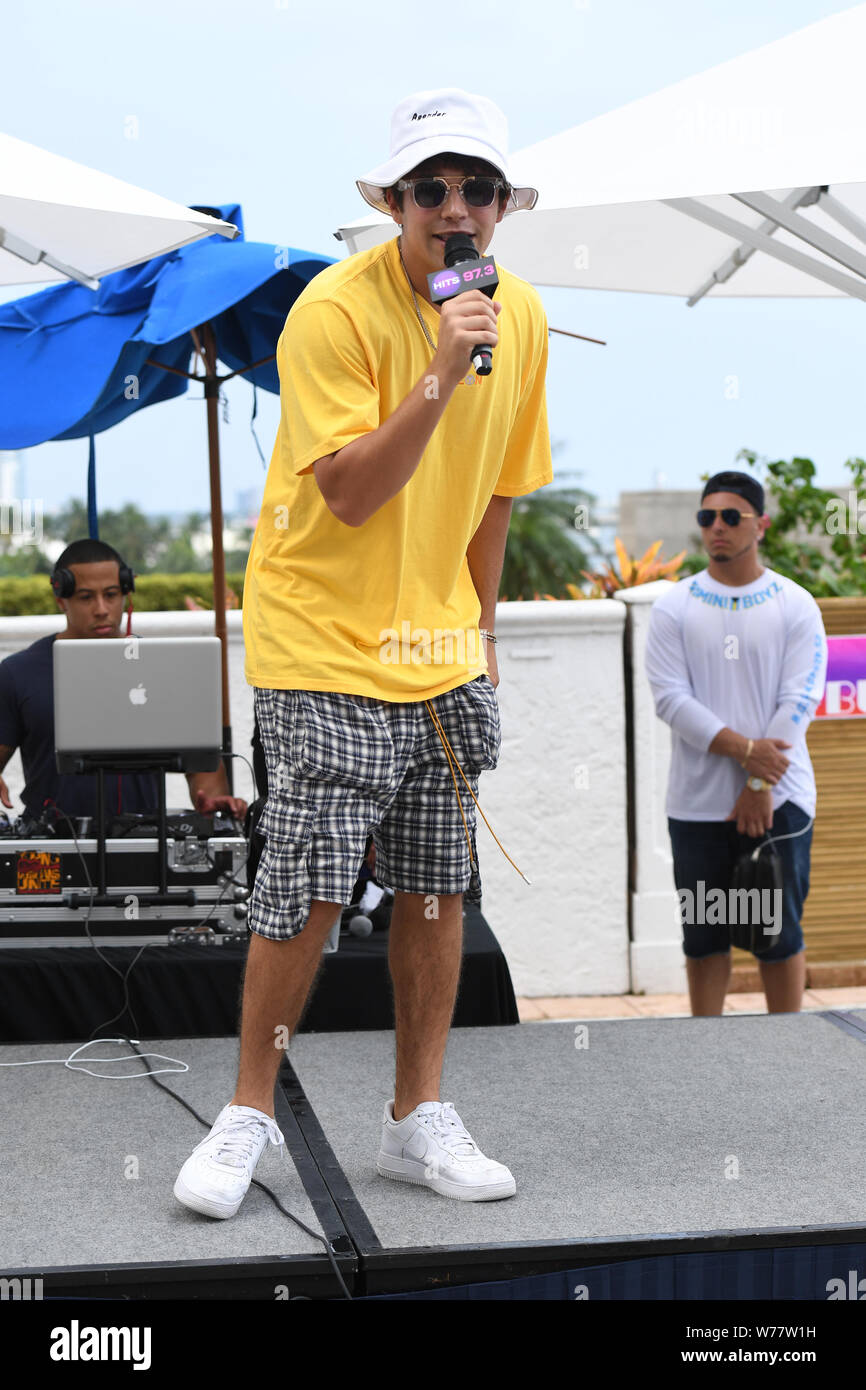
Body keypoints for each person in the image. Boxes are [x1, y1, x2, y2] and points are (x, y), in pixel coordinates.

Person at [174, 87, 552, 1219]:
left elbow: (495, 497)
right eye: (428, 188)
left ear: (499, 209)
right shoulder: (331, 313)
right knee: (306, 891)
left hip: (434, 650)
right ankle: (247, 1109)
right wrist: (439, 364)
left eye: (473, 189)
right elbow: (346, 493)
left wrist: (474, 637)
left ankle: (412, 1116)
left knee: (439, 887)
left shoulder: (517, 316)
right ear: (391, 203)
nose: (453, 208)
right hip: (321, 643)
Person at [644, 471, 828, 1017]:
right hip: (696, 806)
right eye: (707, 517)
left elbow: (799, 702)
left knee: (777, 936)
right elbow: (671, 701)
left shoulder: (795, 605)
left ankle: (786, 1050)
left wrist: (755, 781)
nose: (717, 528)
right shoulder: (674, 608)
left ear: (761, 524)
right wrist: (749, 754)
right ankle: (705, 1057)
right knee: (704, 940)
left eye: (731, 517)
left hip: (780, 800)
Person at [0, 539, 246, 827]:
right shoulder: (18, 673)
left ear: (125, 594)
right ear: (60, 600)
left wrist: (213, 802)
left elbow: (203, 770)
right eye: (86, 597)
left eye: (111, 594)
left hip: (145, 846)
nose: (102, 608)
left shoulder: (163, 669)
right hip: (52, 844)